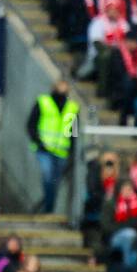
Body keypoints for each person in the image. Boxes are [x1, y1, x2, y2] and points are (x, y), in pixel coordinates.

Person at [26, 79, 79, 213]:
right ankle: (48, 209)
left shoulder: (72, 107)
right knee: (48, 176)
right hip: (44, 149)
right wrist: (39, 142)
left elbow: (73, 133)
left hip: (61, 152)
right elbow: (31, 124)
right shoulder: (43, 102)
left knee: (55, 182)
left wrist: (72, 150)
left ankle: (49, 208)